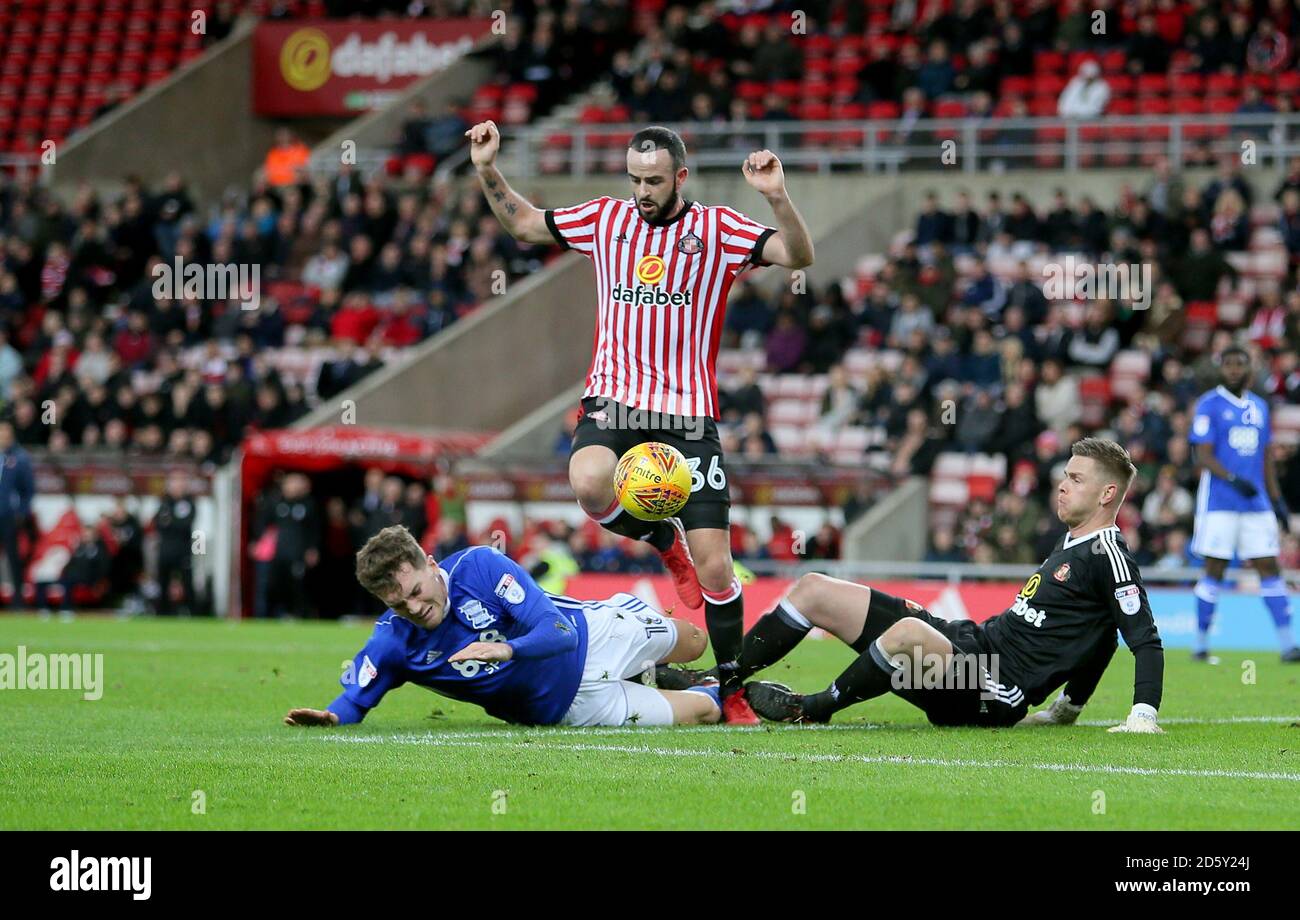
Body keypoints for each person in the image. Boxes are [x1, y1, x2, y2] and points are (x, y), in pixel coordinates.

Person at [466, 120, 815, 723]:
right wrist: (487, 170)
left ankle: (729, 689)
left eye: (653, 181)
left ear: (681, 176)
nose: (642, 192)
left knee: (718, 569)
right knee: (588, 482)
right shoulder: (606, 220)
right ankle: (661, 540)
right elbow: (525, 223)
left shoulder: (719, 229)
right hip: (615, 399)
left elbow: (799, 256)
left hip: (687, 414)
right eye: (634, 179)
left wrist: (777, 196)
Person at [734, 439, 1167, 733]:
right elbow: (1100, 637)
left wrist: (1142, 714)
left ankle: (810, 710)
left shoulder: (1108, 554)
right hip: (972, 643)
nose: (1061, 484)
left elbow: (1140, 638)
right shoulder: (1073, 539)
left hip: (995, 688)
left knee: (906, 635)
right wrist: (1068, 708)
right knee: (815, 588)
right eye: (1065, 475)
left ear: (1108, 493)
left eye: (1076, 479)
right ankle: (723, 683)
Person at [283, 526, 721, 728]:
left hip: (597, 634)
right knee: (705, 711)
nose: (414, 608)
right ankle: (721, 689)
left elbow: (558, 632)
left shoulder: (480, 567)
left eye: (416, 590)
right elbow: (355, 699)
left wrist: (507, 650)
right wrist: (331, 717)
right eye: (398, 605)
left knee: (697, 643)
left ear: (431, 564)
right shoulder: (394, 641)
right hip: (567, 710)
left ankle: (659, 664)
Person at [1189, 346, 1299, 662]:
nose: (1234, 370)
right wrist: (1233, 479)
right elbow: (1203, 454)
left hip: (1256, 503)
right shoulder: (1209, 405)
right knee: (1215, 570)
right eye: (1229, 365)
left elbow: (1265, 459)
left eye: (1240, 364)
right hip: (1219, 503)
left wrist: (1277, 503)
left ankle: (1288, 644)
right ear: (1221, 369)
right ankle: (1200, 644)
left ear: (1250, 369)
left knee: (1269, 566)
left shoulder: (1261, 408)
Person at [0, 420, 34, 606]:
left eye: (5, 431)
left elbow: (28, 490)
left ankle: (18, 600)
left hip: (8, 516)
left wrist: (20, 512)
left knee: (13, 558)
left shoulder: (20, 458)